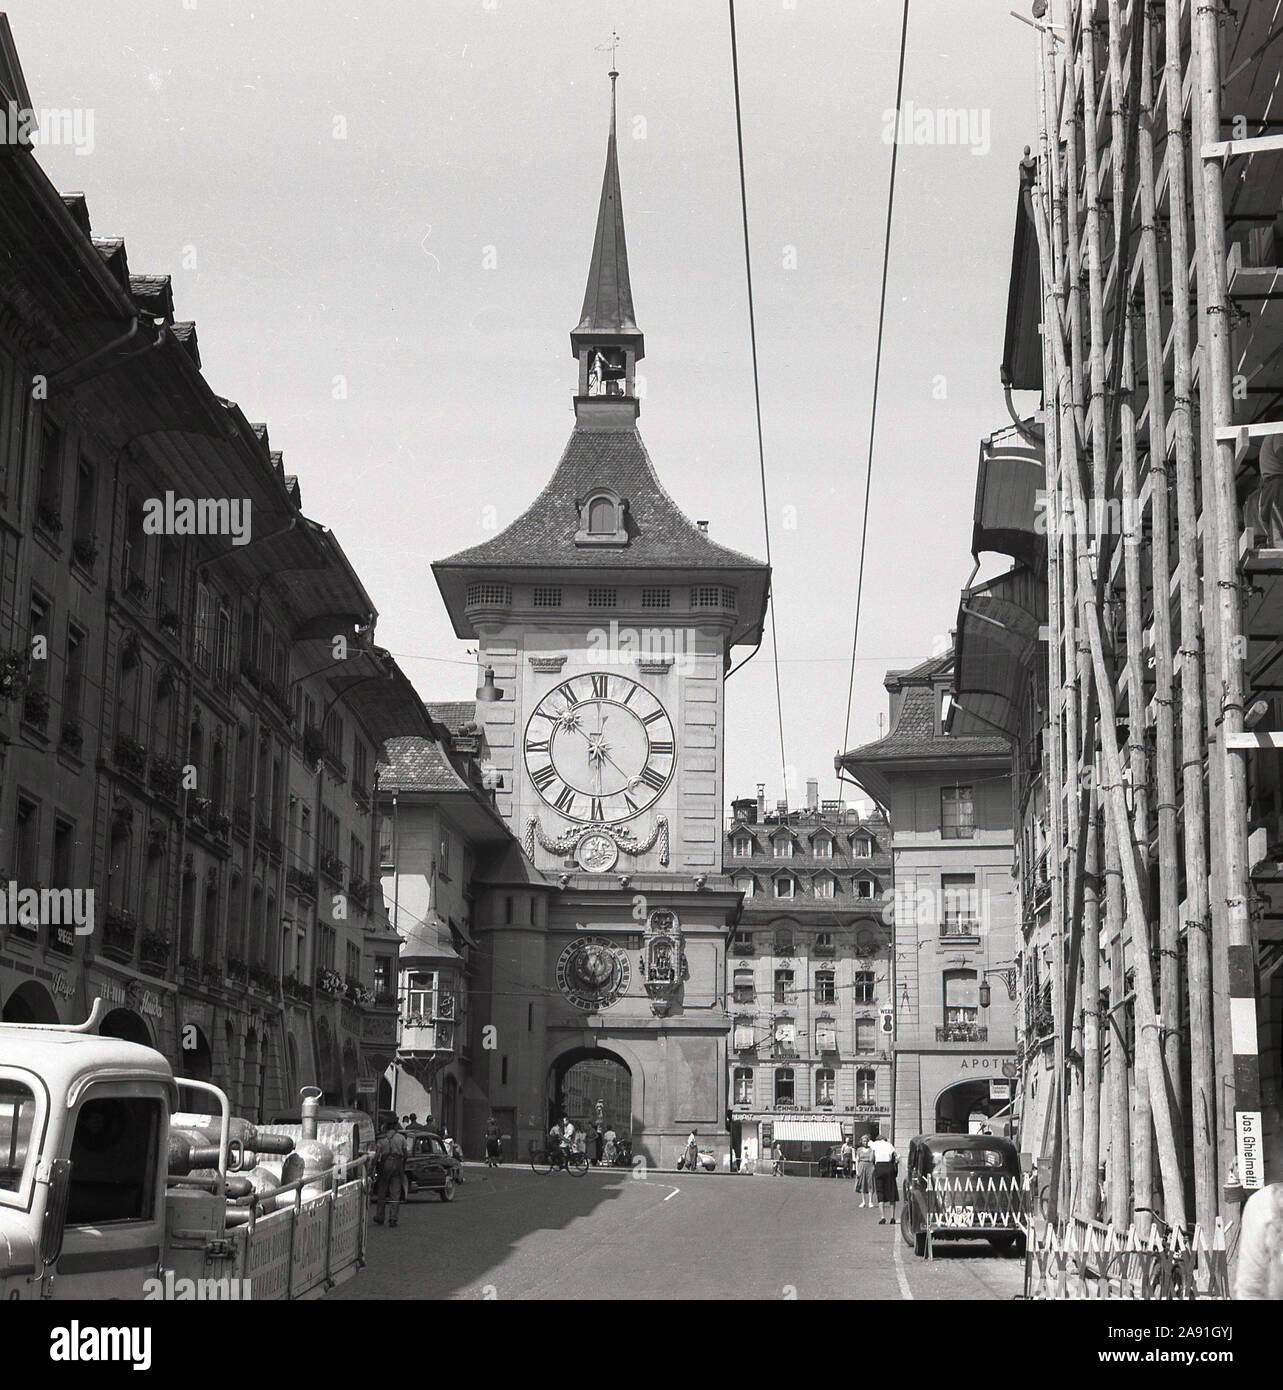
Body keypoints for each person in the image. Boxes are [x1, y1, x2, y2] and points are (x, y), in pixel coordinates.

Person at [373, 1118, 409, 1226]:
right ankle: (393, 1218)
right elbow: (405, 1154)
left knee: (382, 1192)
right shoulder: (401, 1138)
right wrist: (402, 1165)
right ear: (395, 1127)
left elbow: (376, 1156)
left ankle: (380, 1216)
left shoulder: (381, 1139)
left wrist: (373, 1168)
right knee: (395, 1193)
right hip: (397, 1165)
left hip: (384, 1166)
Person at [869, 1130, 899, 1224]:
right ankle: (892, 1217)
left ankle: (882, 1217)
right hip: (889, 1167)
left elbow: (871, 1158)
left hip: (879, 1168)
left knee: (880, 1191)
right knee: (891, 1191)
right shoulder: (889, 1145)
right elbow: (896, 1157)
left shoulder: (875, 1145)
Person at [855, 1134, 875, 1207]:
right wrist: (857, 1170)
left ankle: (870, 1201)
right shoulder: (859, 1150)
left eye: (866, 1141)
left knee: (870, 1184)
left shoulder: (871, 1150)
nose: (865, 1143)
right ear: (861, 1142)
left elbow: (871, 1159)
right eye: (864, 1141)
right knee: (862, 1184)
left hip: (870, 1167)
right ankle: (863, 1201)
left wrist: (873, 1150)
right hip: (861, 1166)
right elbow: (857, 1160)